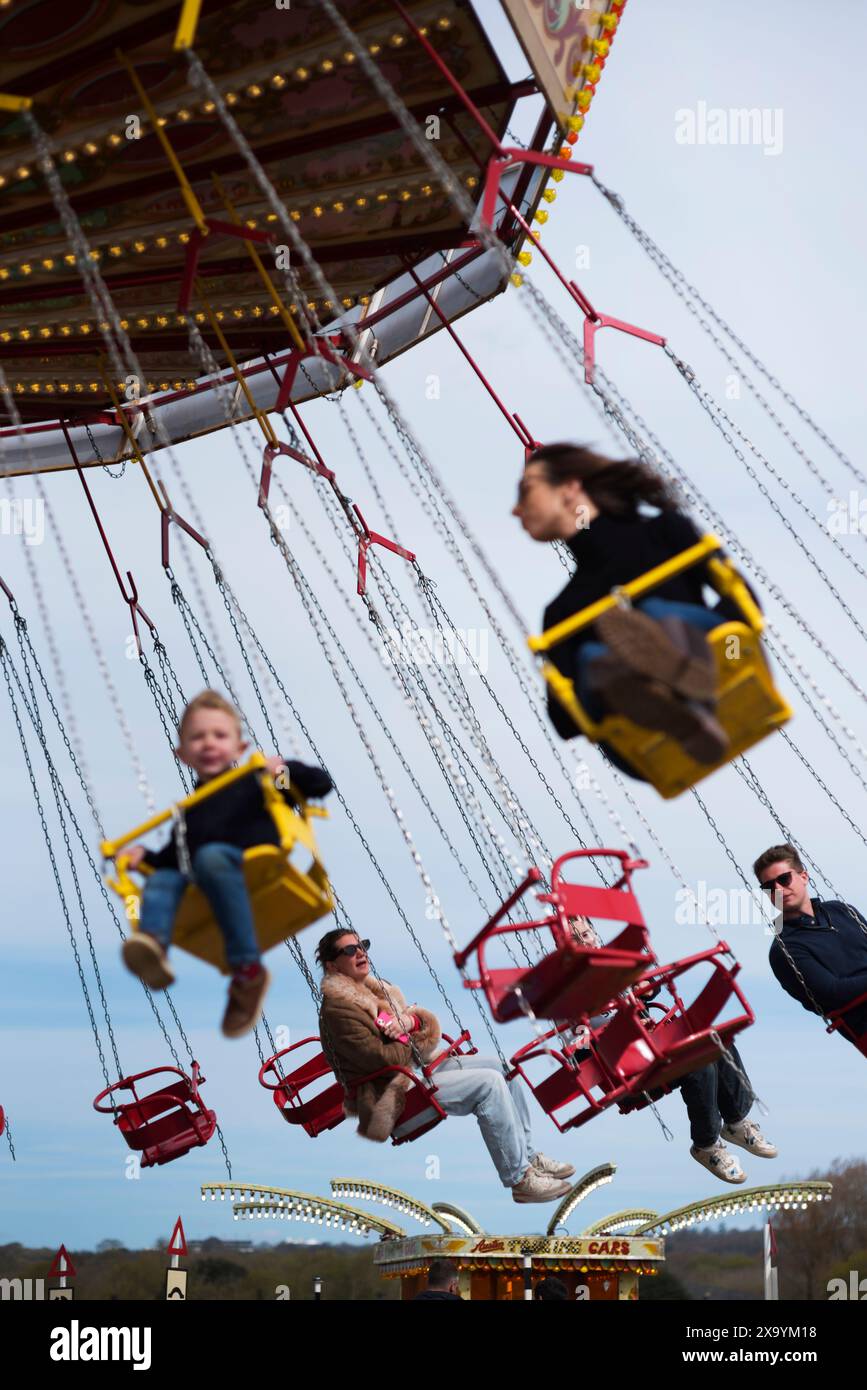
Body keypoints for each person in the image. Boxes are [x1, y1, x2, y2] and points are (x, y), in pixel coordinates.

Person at [512, 443, 753, 776]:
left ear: (570, 487)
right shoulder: (562, 611)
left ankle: (676, 677)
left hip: (723, 662)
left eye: (526, 491)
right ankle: (662, 701)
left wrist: (720, 641)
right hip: (640, 741)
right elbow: (567, 722)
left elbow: (744, 606)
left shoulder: (664, 532)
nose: (516, 510)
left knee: (647, 617)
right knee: (592, 657)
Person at [119, 689, 332, 1037]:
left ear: (240, 748)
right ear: (182, 753)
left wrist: (283, 769)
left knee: (210, 856)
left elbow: (320, 784)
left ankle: (247, 967)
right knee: (164, 879)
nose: (208, 743)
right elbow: (173, 859)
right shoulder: (188, 813)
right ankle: (153, 946)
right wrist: (144, 857)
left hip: (258, 864)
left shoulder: (257, 783)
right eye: (197, 737)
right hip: (205, 877)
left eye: (219, 735)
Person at [316, 928, 577, 1203]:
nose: (360, 952)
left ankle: (528, 1155)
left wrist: (411, 1022)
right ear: (332, 965)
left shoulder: (377, 990)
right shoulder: (338, 1010)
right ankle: (520, 1179)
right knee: (489, 1084)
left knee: (503, 1067)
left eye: (363, 945)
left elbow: (412, 1024)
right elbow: (381, 1059)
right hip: (392, 1094)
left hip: (416, 1070)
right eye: (349, 950)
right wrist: (406, 1035)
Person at [567, 917, 776, 1184]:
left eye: (586, 934)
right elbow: (580, 1048)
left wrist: (642, 989)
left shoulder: (614, 972)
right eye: (575, 939)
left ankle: (736, 1121)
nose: (585, 941)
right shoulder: (569, 996)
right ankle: (706, 1145)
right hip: (625, 1073)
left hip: (654, 1051)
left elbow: (645, 990)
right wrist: (621, 1028)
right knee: (698, 1062)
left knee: (715, 1042)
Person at [754, 843, 867, 1047]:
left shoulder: (840, 910)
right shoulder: (785, 949)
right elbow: (832, 992)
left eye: (784, 879)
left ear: (804, 877)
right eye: (769, 887)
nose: (778, 889)